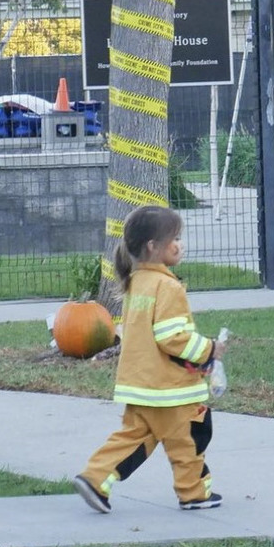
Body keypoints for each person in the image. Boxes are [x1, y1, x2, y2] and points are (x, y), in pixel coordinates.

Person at [73, 205, 227, 514]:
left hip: (139, 384)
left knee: (132, 438)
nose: (179, 245)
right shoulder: (167, 286)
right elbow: (173, 337)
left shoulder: (136, 283)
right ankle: (193, 493)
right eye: (173, 238)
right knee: (189, 439)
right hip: (170, 389)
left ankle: (96, 477)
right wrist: (209, 349)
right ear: (152, 247)